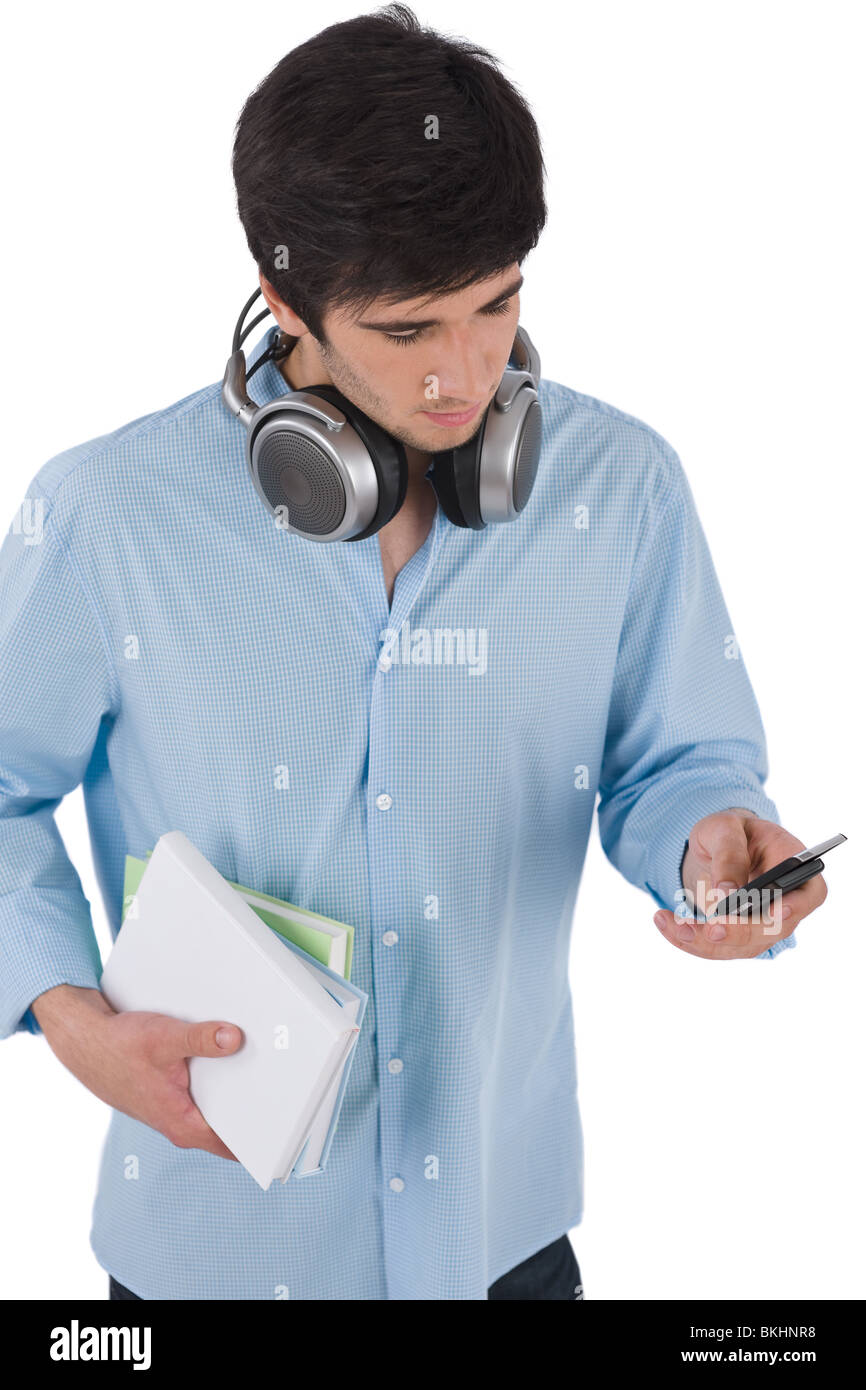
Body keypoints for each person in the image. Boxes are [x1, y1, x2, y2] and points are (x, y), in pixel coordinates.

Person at [0, 5, 826, 1302]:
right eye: (405, 331)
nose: (463, 374)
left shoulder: (622, 484)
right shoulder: (107, 516)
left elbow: (677, 756)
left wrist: (713, 835)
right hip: (214, 1257)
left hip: (508, 1245)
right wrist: (67, 1019)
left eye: (496, 306)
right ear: (282, 302)